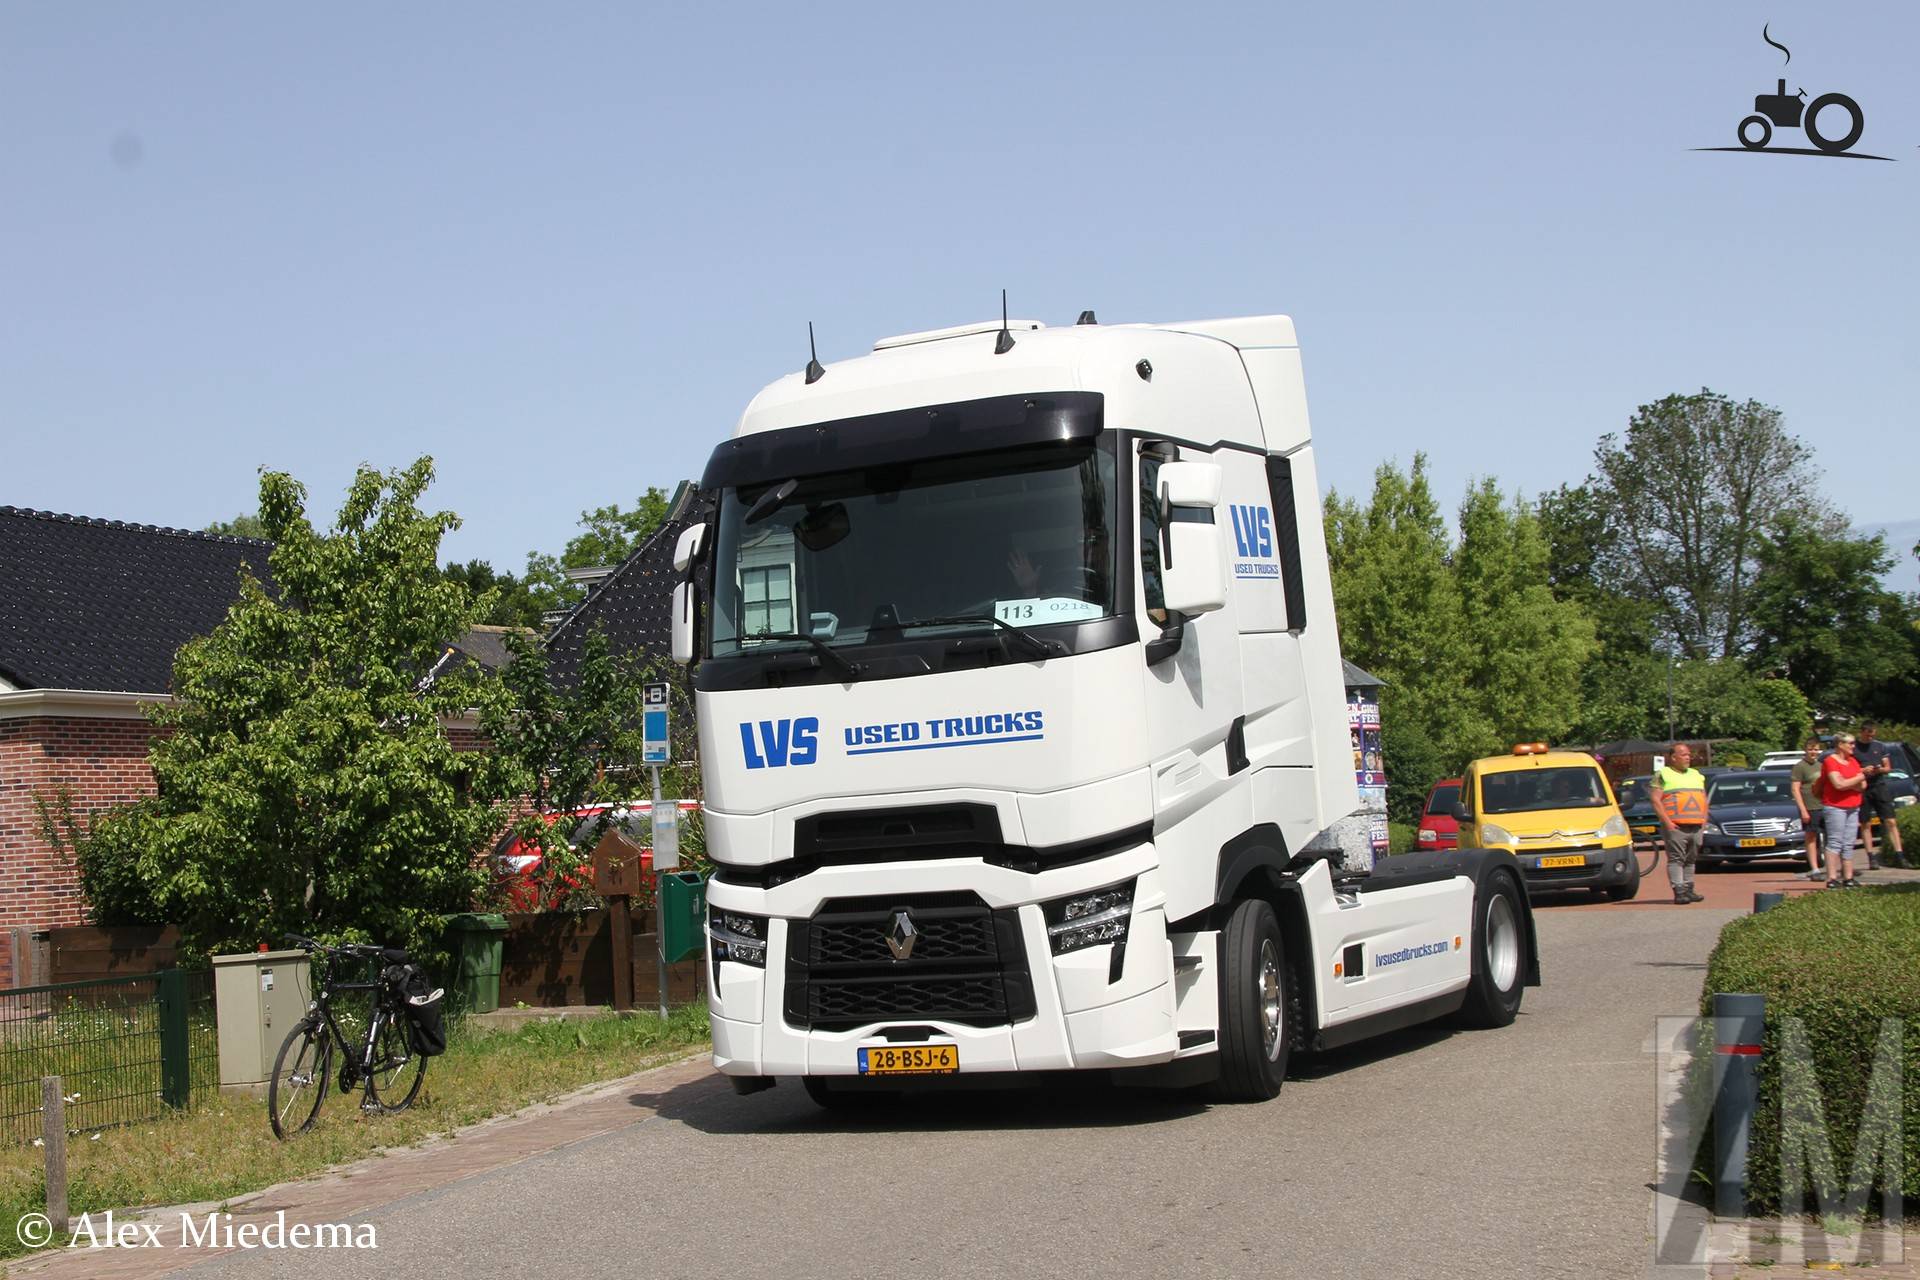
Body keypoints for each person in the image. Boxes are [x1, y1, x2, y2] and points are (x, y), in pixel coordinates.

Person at [1648, 742, 1708, 904]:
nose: (1688, 757)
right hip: (1676, 826)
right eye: (1684, 755)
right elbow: (1655, 800)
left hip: (1696, 825)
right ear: (1673, 758)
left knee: (1690, 859)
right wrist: (1667, 823)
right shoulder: (1663, 774)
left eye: (1689, 754)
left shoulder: (1696, 774)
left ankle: (1689, 889)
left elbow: (1704, 798)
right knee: (1676, 859)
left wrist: (1704, 821)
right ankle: (1679, 891)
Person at [1818, 732, 1868, 888]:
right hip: (1835, 807)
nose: (1853, 746)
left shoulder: (1853, 761)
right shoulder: (1830, 761)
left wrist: (1850, 783)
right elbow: (1837, 784)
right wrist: (1858, 778)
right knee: (1835, 841)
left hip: (1853, 806)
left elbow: (1862, 786)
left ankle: (1848, 877)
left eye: (1854, 743)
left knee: (1849, 842)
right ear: (1840, 744)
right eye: (1850, 743)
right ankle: (1831, 878)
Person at [1854, 722, 1906, 870]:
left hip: (1879, 785)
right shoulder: (1854, 748)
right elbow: (1849, 767)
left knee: (1890, 821)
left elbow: (1888, 767)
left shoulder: (1879, 746)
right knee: (1865, 823)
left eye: (1873, 734)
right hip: (1863, 787)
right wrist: (1863, 770)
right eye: (1868, 734)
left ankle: (1899, 855)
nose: (1871, 737)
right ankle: (1871, 858)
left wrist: (1879, 769)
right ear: (1862, 732)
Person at [1788, 737, 1826, 880]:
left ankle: (1832, 867)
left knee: (1830, 837)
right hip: (1810, 807)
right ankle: (1814, 868)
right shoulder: (1800, 767)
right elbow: (1795, 789)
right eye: (1810, 749)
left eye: (1816, 749)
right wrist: (1803, 810)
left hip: (1824, 806)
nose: (1813, 752)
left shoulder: (1821, 766)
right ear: (1805, 750)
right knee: (1811, 837)